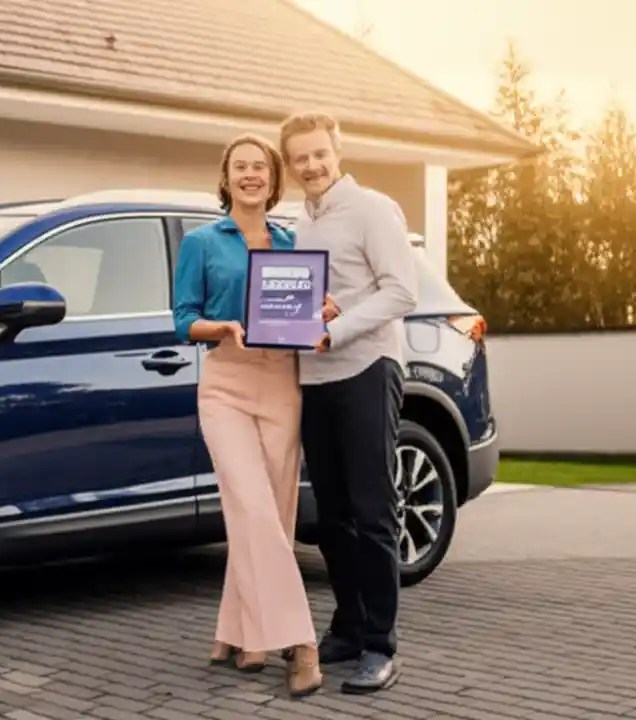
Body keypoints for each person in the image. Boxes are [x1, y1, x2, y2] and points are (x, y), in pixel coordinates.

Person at [172, 133, 325, 698]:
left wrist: (320, 311)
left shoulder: (292, 243)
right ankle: (300, 642)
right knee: (254, 507)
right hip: (227, 386)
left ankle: (240, 632)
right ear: (226, 177)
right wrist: (223, 327)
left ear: (273, 178)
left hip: (282, 383)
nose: (251, 175)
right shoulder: (203, 242)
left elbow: (304, 312)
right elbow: (182, 318)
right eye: (241, 167)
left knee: (270, 516)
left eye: (260, 167)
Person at [279, 111, 418, 694]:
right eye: (300, 158)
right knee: (331, 514)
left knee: (371, 509)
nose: (311, 166)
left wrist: (338, 330)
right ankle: (349, 624)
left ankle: (381, 645)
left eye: (319, 154)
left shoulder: (373, 209)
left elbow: (401, 291)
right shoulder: (298, 225)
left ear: (337, 152)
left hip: (366, 368)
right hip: (314, 380)